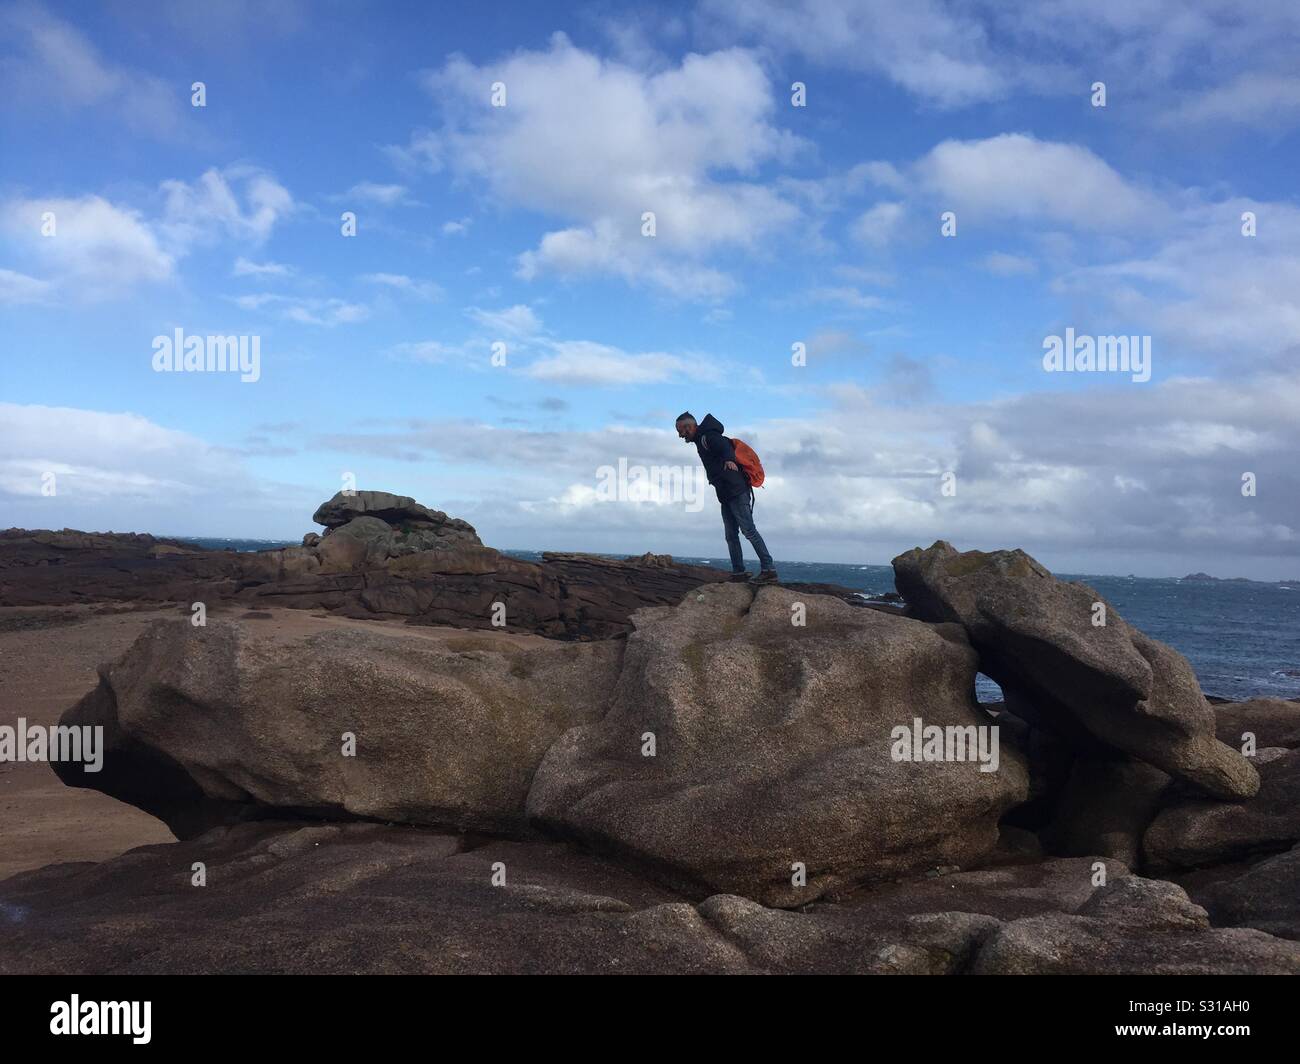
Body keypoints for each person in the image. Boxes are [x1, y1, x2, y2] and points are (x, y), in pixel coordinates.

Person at [675, 411, 777, 583]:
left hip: (736, 491)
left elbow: (724, 446)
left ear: (689, 427)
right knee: (731, 535)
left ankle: (769, 570)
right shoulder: (701, 440)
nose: (680, 435)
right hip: (725, 493)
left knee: (749, 531)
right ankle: (738, 572)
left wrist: (729, 459)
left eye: (681, 431)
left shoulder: (708, 436)